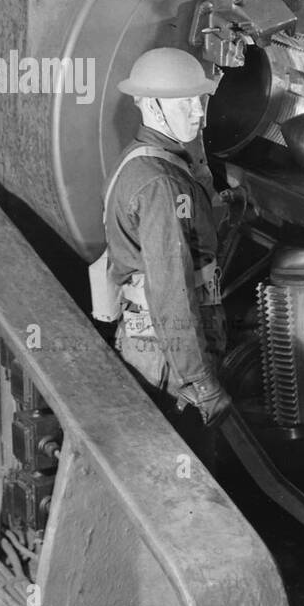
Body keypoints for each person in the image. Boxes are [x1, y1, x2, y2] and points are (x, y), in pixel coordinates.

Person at [104, 47, 234, 428]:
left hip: (158, 346)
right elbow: (171, 290)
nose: (197, 112)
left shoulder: (148, 160)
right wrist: (198, 381)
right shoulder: (161, 182)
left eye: (199, 100)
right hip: (171, 357)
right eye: (185, 103)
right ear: (149, 106)